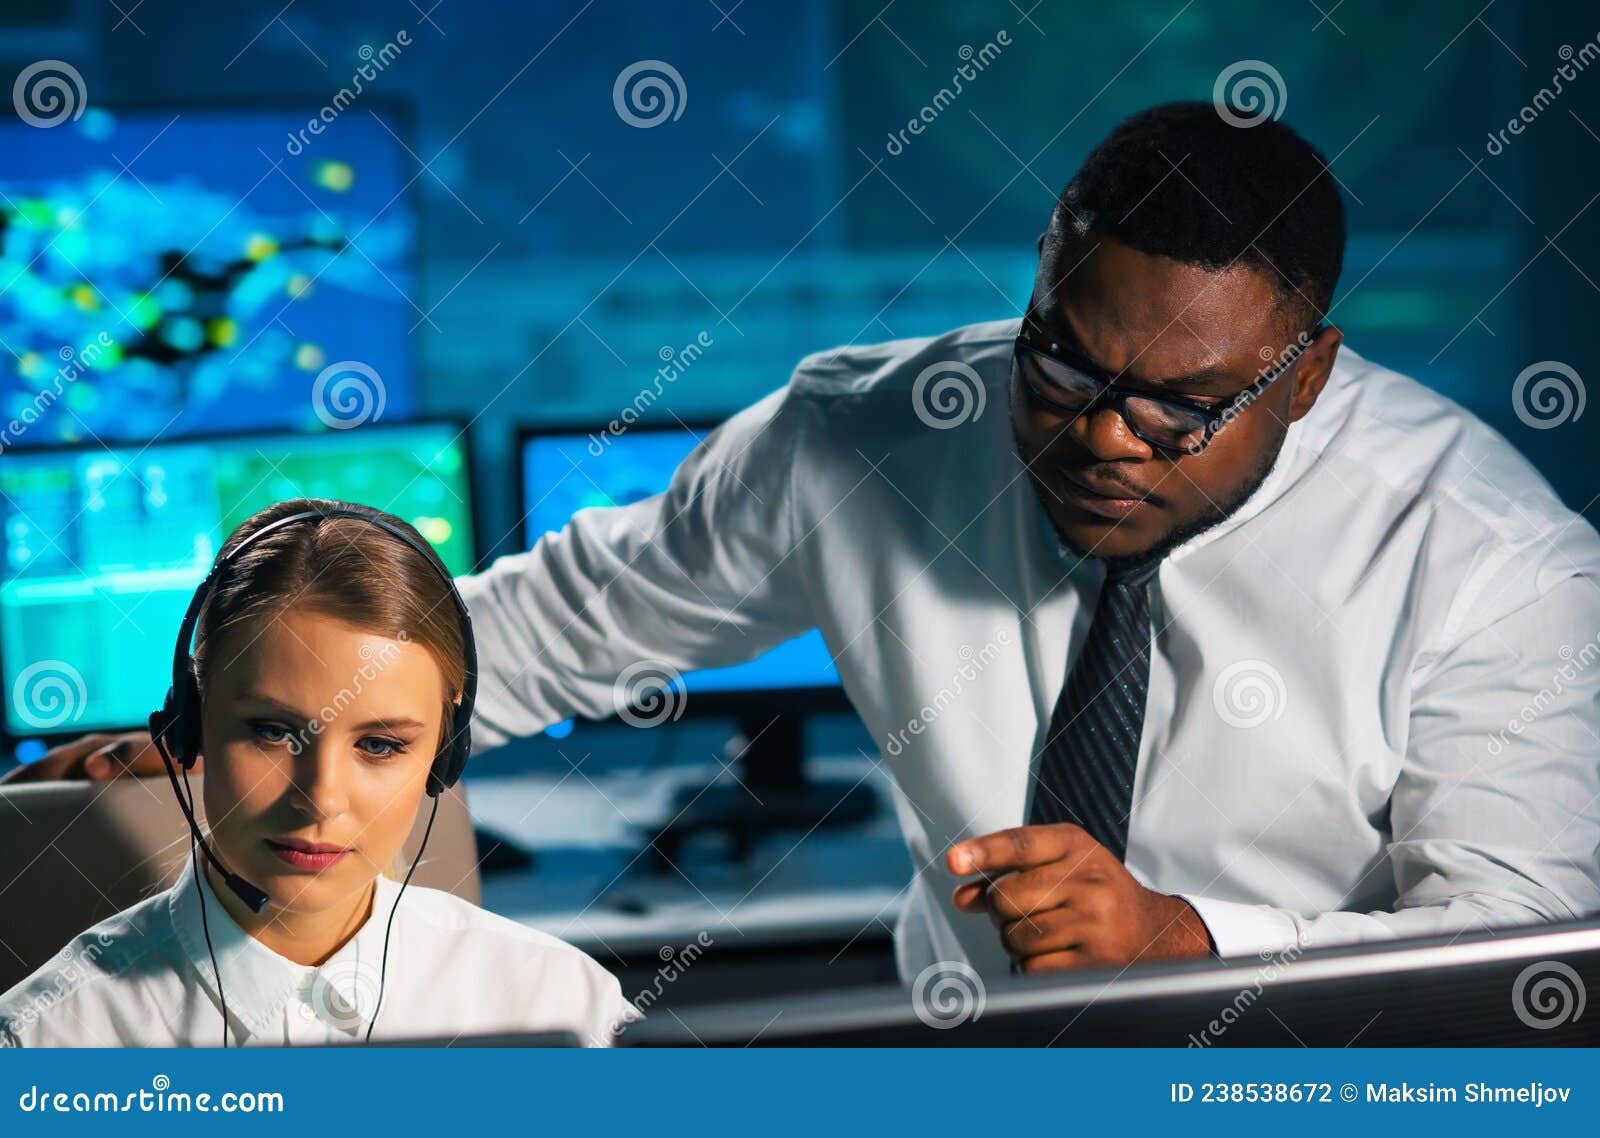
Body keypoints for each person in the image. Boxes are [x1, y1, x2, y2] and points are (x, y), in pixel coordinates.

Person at [16, 103, 1600, 980]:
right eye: (1065, 362)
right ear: (1039, 280)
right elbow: (566, 622)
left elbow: (1524, 952)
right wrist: (234, 733)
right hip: (964, 1061)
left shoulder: (1490, 563)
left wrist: (1188, 937)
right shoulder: (866, 436)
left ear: (1305, 371)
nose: (1103, 435)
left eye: (1178, 407)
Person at [0, 499, 628, 1046]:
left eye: (380, 745)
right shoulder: (46, 1040)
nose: (320, 800)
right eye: (272, 733)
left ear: (445, 755)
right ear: (191, 728)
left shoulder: (565, 1009)